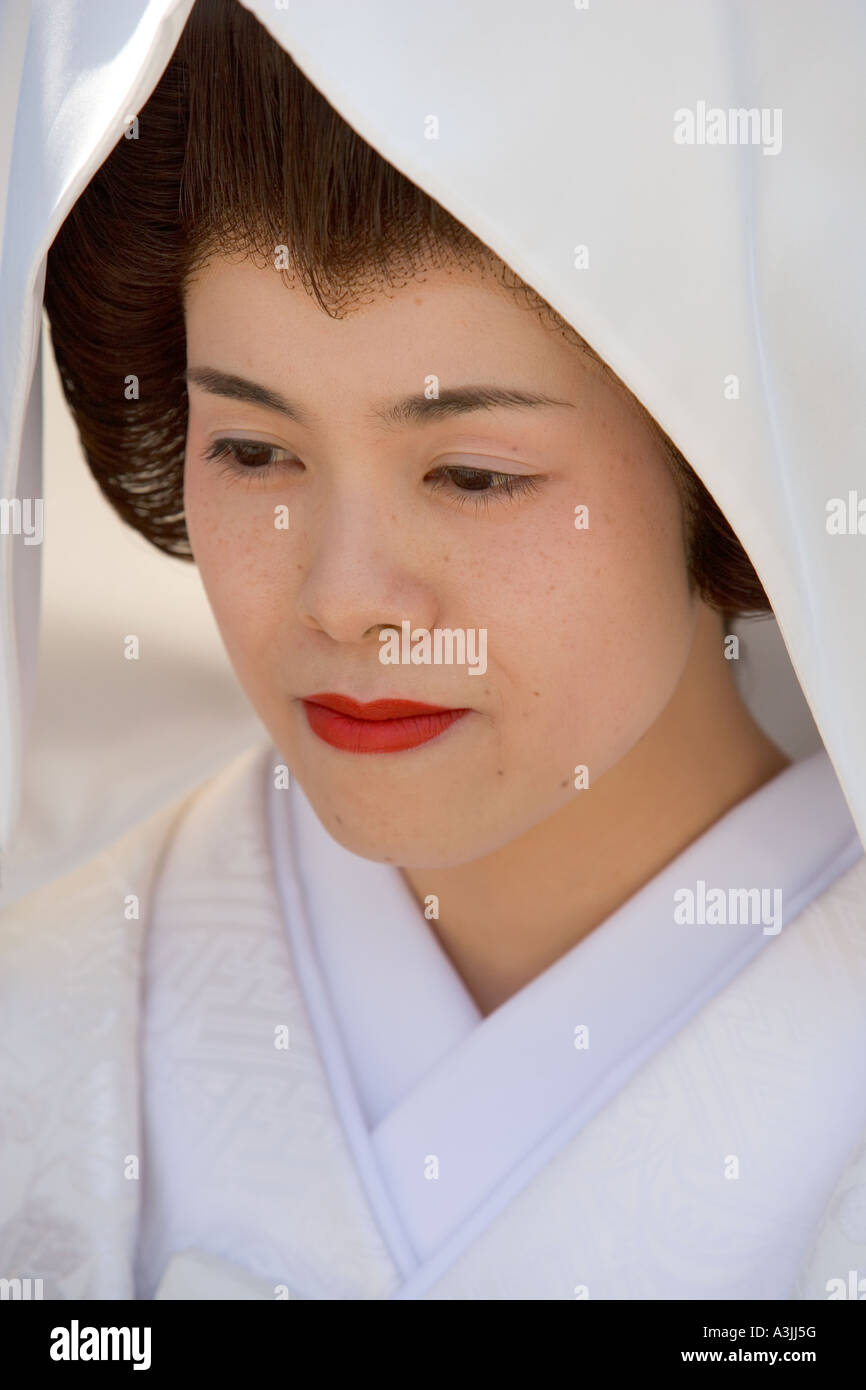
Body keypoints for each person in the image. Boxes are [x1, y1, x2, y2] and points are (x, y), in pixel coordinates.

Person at [1, 0, 865, 1301]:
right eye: (251, 449)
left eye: (469, 472)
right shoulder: (56, 1011)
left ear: (724, 467)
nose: (344, 598)